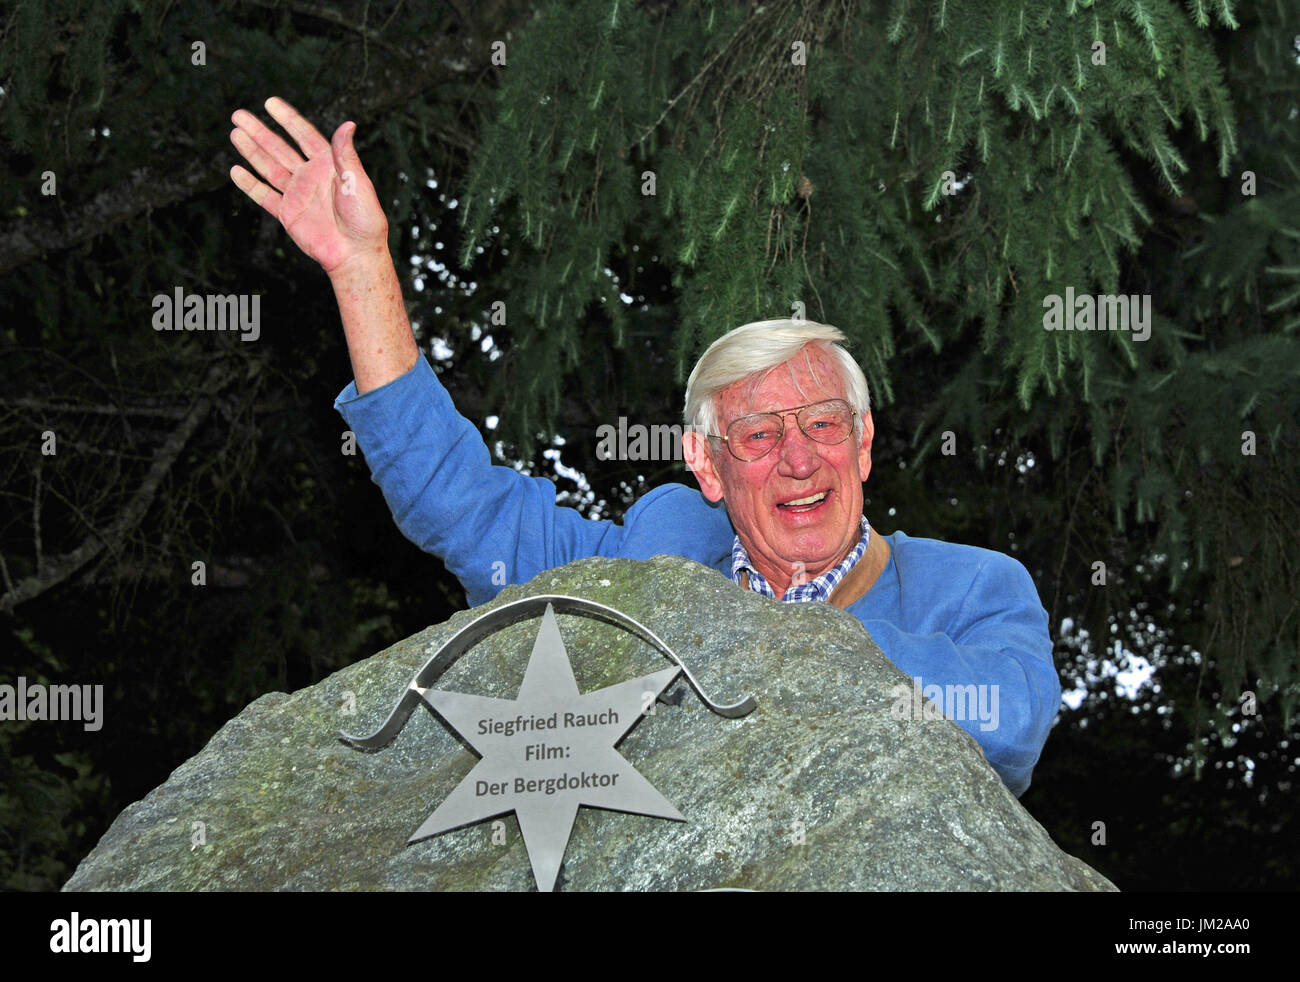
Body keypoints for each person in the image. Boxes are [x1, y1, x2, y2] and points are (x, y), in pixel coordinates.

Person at [229, 97, 1060, 796]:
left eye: (823, 425)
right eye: (760, 435)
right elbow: (459, 505)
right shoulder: (650, 569)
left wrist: (769, 634)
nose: (800, 459)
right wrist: (359, 267)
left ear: (866, 442)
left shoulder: (973, 586)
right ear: (706, 465)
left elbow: (1012, 720)